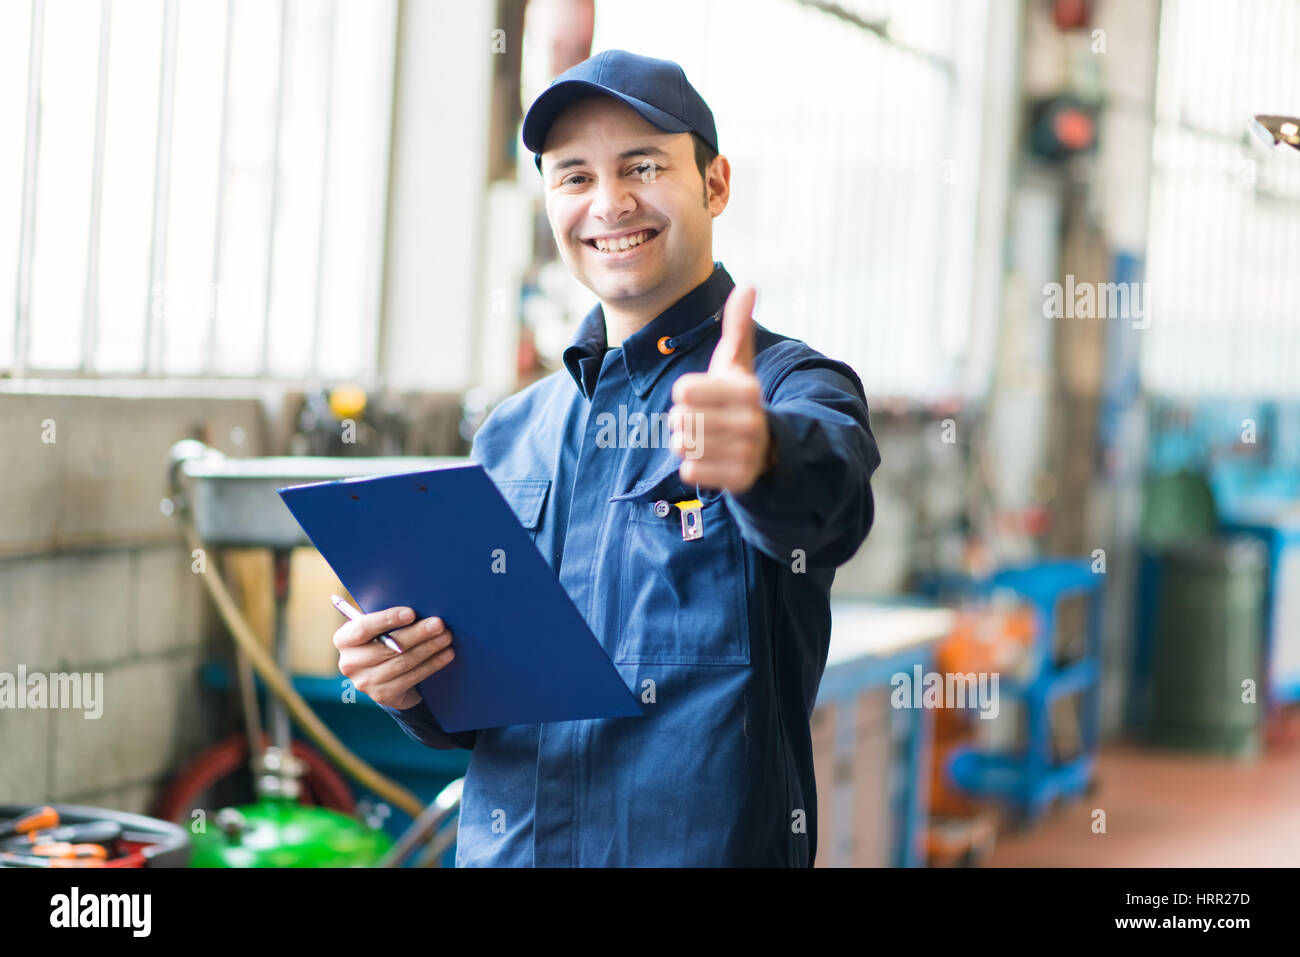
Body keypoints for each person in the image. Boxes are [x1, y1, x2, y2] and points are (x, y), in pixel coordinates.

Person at [333, 49, 881, 866]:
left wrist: (761, 452)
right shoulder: (512, 432)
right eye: (573, 177)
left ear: (715, 183)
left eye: (643, 166)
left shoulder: (785, 386)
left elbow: (830, 499)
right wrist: (405, 682)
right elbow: (482, 706)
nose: (610, 203)